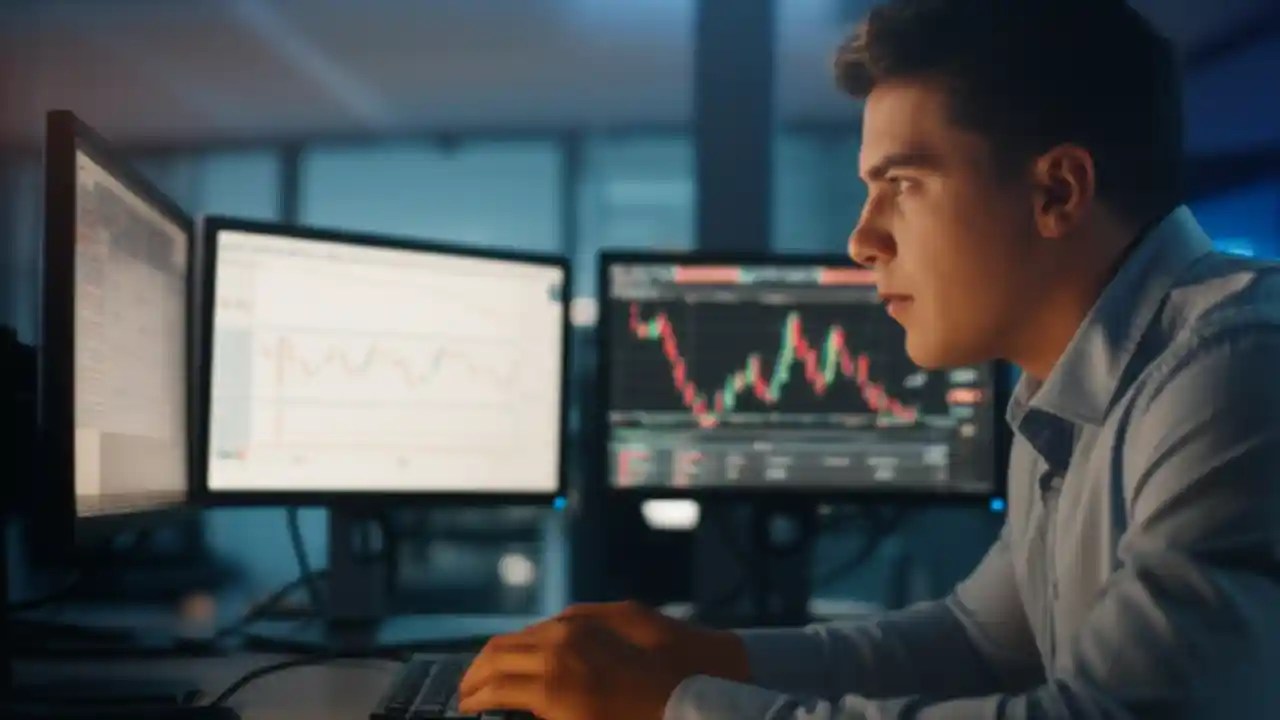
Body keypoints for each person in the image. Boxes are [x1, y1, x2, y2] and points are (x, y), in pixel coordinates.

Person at [458, 0, 1280, 717]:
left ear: (1058, 192)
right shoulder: (1068, 391)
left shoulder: (1232, 370)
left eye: (904, 184)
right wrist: (701, 658)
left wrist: (676, 711)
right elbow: (981, 640)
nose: (863, 240)